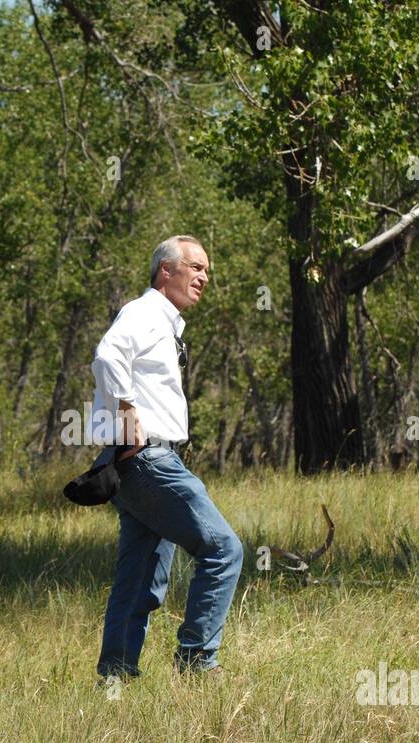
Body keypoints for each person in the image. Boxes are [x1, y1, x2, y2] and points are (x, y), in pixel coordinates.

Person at [86, 235, 244, 681]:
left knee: (140, 580)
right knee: (223, 549)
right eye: (195, 267)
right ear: (165, 271)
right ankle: (197, 661)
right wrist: (126, 406)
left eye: (206, 270)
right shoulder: (144, 313)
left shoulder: (163, 322)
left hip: (132, 464)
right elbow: (106, 355)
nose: (204, 277)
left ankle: (114, 680)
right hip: (150, 460)